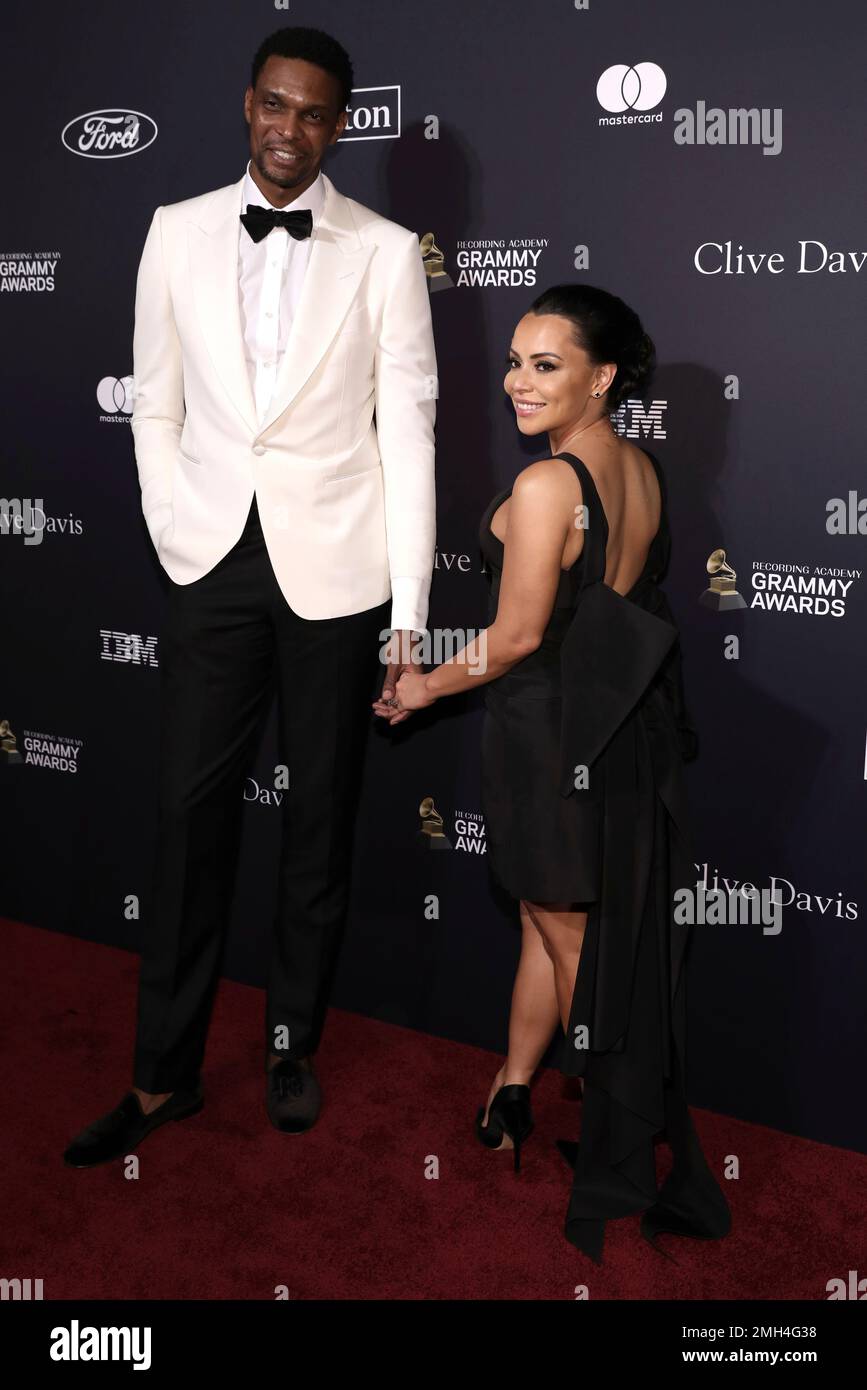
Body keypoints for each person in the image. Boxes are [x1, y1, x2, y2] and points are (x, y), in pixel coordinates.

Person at [63, 25, 436, 1167]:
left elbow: (408, 437)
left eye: (316, 113)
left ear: (341, 124)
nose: (291, 129)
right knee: (187, 819)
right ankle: (161, 1073)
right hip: (212, 562)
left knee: (318, 822)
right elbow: (154, 402)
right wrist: (177, 529)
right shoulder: (173, 231)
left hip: (337, 570)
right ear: (247, 106)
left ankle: (289, 1040)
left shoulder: (382, 251)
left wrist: (410, 614)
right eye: (276, 105)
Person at [377, 285, 731, 1263]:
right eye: (516, 360)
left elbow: (519, 634)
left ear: (602, 375)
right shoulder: (640, 467)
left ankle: (628, 1137)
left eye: (547, 365)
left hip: (547, 736)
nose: (517, 383)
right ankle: (514, 1087)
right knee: (550, 922)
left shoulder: (547, 487)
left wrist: (419, 688)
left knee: (578, 949)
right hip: (607, 733)